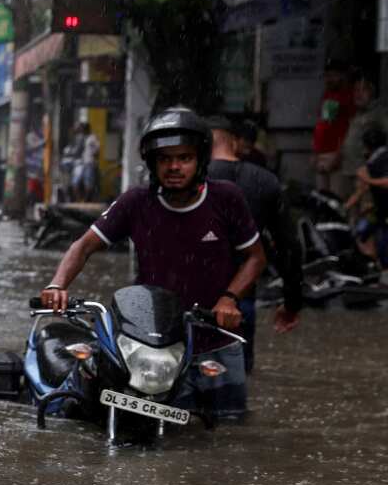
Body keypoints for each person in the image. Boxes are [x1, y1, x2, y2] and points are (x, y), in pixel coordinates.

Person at [39, 108, 266, 419]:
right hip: (154, 348)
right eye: (164, 159)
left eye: (184, 158)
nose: (174, 166)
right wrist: (57, 285)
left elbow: (255, 258)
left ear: (200, 160)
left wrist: (229, 299)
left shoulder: (227, 198)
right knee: (147, 427)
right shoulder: (136, 202)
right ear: (152, 163)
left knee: (229, 430)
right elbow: (83, 246)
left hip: (215, 340)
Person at [206, 115, 304, 374]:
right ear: (234, 142)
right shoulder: (265, 180)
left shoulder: (186, 181)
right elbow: (289, 246)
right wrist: (292, 302)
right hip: (241, 300)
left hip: (191, 302)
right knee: (237, 381)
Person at [341, 76, 388, 198]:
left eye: (363, 90)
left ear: (372, 92)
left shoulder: (379, 112)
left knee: (365, 206)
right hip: (349, 170)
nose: (359, 94)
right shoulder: (357, 113)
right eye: (356, 90)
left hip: (366, 172)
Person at [313, 63, 356, 194]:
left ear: (342, 76)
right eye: (327, 76)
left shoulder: (349, 96)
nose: (329, 79)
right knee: (321, 197)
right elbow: (322, 124)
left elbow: (350, 129)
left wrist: (339, 155)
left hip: (337, 155)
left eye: (333, 75)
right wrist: (315, 152)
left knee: (336, 197)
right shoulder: (327, 95)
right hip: (321, 154)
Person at [351, 127, 388, 267]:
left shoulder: (383, 158)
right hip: (378, 212)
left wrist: (367, 179)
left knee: (383, 246)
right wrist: (345, 206)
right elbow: (362, 189)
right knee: (362, 232)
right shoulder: (373, 161)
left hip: (385, 215)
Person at [71, 122, 100, 202]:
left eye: (83, 129)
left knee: (88, 182)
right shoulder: (81, 138)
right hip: (80, 163)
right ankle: (79, 199)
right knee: (76, 182)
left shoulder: (92, 138)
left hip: (89, 162)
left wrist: (93, 154)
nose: (82, 131)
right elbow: (77, 150)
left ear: (87, 129)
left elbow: (97, 150)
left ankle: (86, 200)